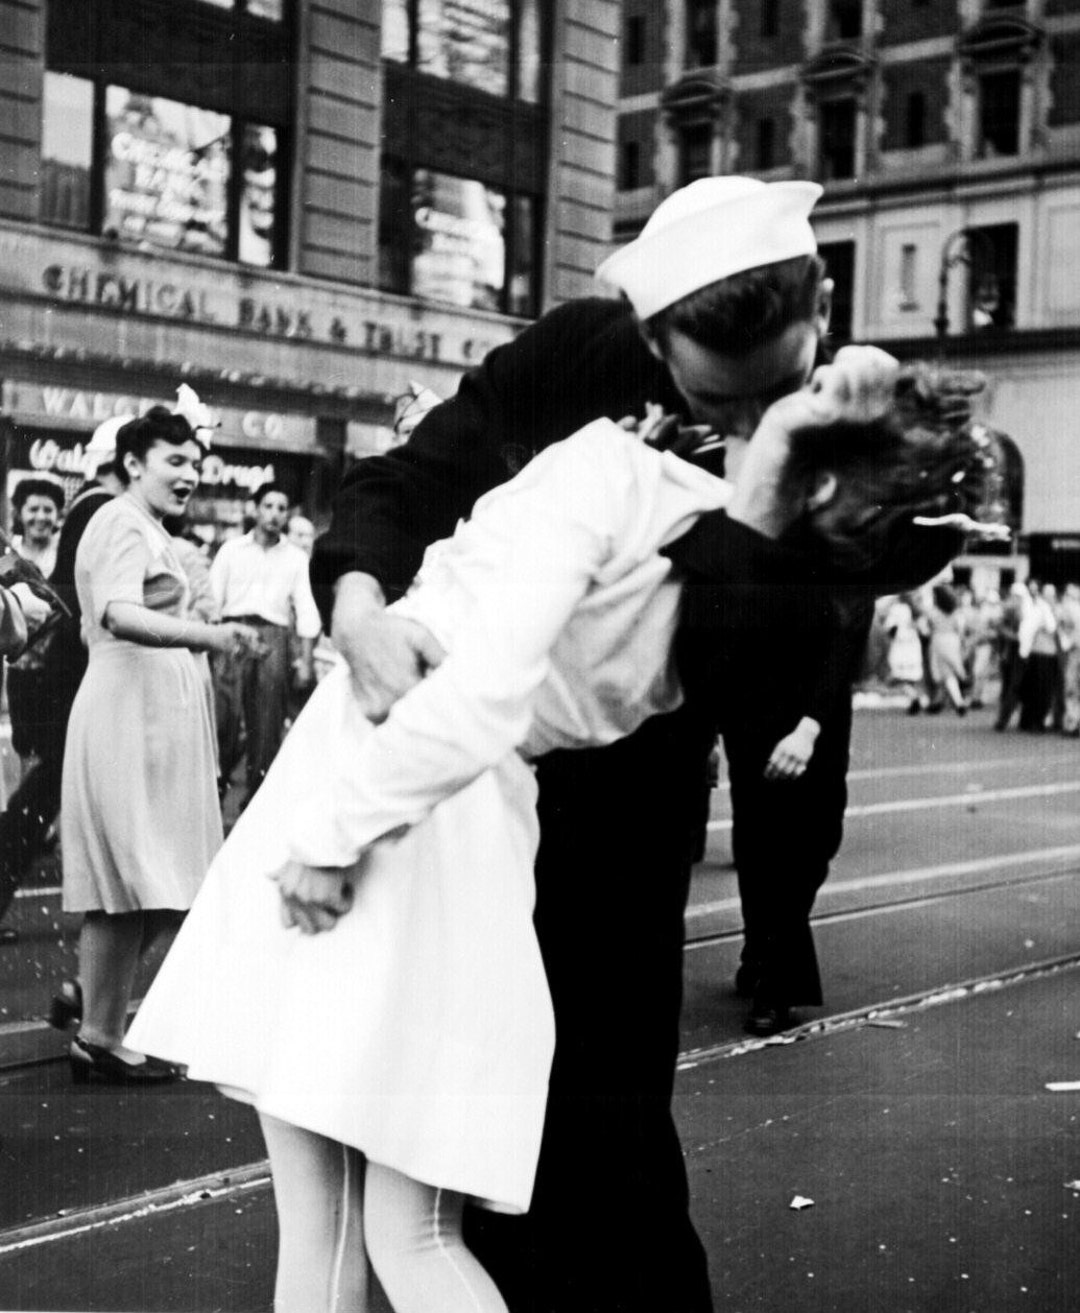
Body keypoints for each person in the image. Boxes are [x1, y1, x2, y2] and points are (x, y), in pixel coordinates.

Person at [129, 361, 996, 1313]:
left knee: (353, 1229)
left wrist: (334, 832)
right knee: (393, 1231)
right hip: (461, 824)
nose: (809, 373)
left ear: (815, 473)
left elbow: (479, 688)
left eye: (818, 393)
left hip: (394, 784)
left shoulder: (625, 480)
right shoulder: (737, 582)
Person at [300, 175, 989, 1311]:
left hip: (625, 812)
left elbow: (774, 656)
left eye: (768, 388)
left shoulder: (845, 420)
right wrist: (359, 599)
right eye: (714, 396)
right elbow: (409, 475)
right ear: (652, 337)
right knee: (445, 1142)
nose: (743, 418)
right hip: (462, 798)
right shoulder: (578, 354)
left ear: (821, 303)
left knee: (606, 1142)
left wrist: (810, 492)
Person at [57, 408, 262, 1082]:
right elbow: (118, 612)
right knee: (134, 879)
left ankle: (97, 1016)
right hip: (127, 715)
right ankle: (99, 1032)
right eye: (174, 460)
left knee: (155, 882)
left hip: (150, 719)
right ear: (133, 463)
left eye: (194, 463)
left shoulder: (146, 527)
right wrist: (210, 636)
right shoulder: (119, 520)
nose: (189, 474)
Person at [0, 424, 126, 948]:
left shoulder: (93, 505)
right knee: (44, 792)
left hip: (70, 671)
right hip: (74, 674)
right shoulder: (101, 507)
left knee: (49, 792)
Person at [209, 481, 321, 804]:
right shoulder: (232, 550)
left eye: (281, 508)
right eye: (268, 506)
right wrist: (211, 640)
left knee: (268, 722)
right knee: (224, 718)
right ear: (255, 509)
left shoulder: (295, 558)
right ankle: (214, 793)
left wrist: (305, 661)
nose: (274, 514)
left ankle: (255, 803)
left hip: (274, 636)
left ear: (287, 515)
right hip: (233, 631)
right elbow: (213, 599)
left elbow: (306, 608)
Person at [5, 478, 65, 770]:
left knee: (57, 752)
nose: (41, 517)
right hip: (22, 670)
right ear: (19, 513)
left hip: (60, 669)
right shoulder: (8, 555)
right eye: (33, 509)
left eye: (48, 509)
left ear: (58, 514)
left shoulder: (64, 554)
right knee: (26, 750)